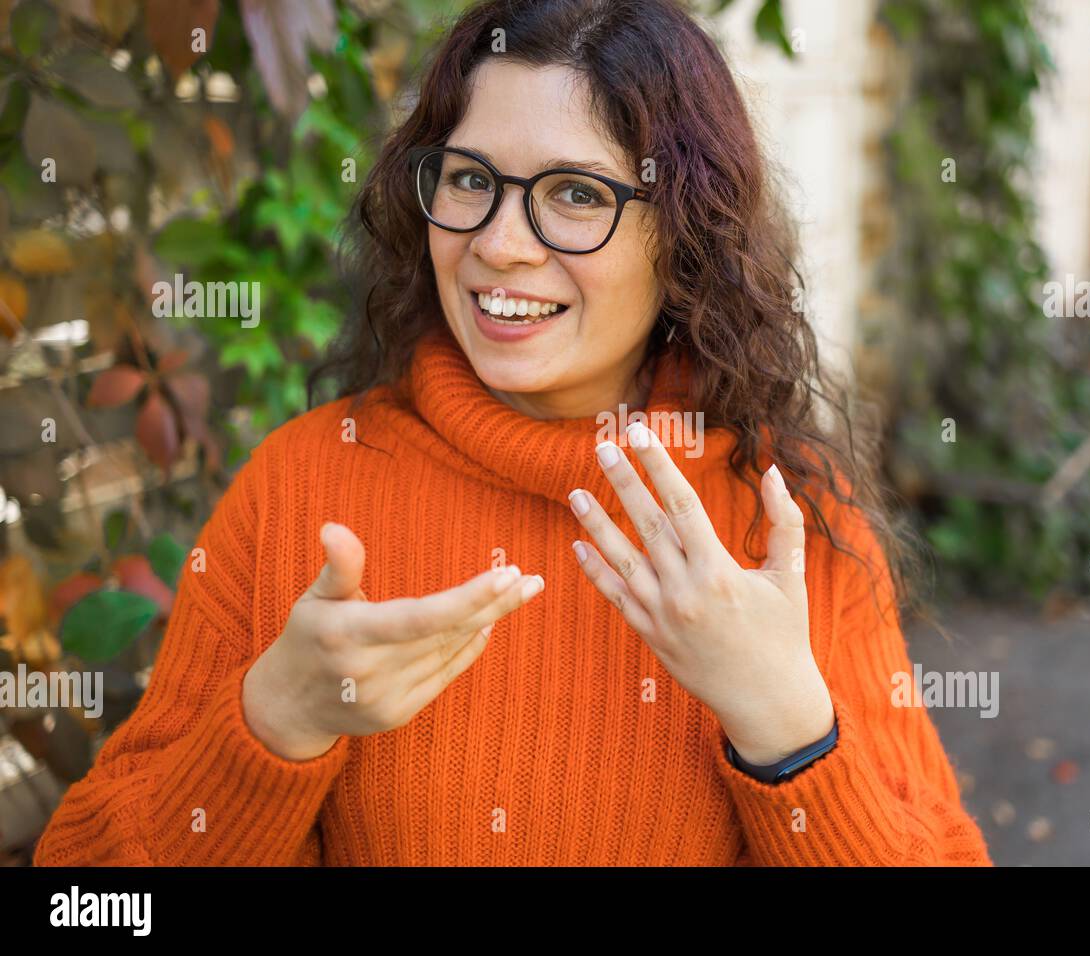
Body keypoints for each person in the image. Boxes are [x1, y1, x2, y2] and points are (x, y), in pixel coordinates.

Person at [34, 0, 991, 866]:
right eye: (470, 179)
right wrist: (273, 722)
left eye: (576, 194)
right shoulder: (303, 488)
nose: (500, 242)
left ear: (688, 234)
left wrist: (790, 730)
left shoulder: (782, 524)